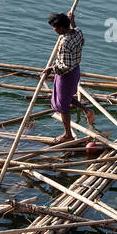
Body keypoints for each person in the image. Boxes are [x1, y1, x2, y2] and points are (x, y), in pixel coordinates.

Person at [41, 11, 95, 144]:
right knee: (65, 97)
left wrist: (51, 69)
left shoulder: (65, 42)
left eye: (56, 27)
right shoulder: (78, 32)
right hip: (76, 71)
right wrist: (72, 21)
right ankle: (87, 110)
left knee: (63, 106)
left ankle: (68, 134)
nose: (54, 30)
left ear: (62, 28)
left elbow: (66, 65)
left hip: (67, 75)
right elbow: (80, 38)